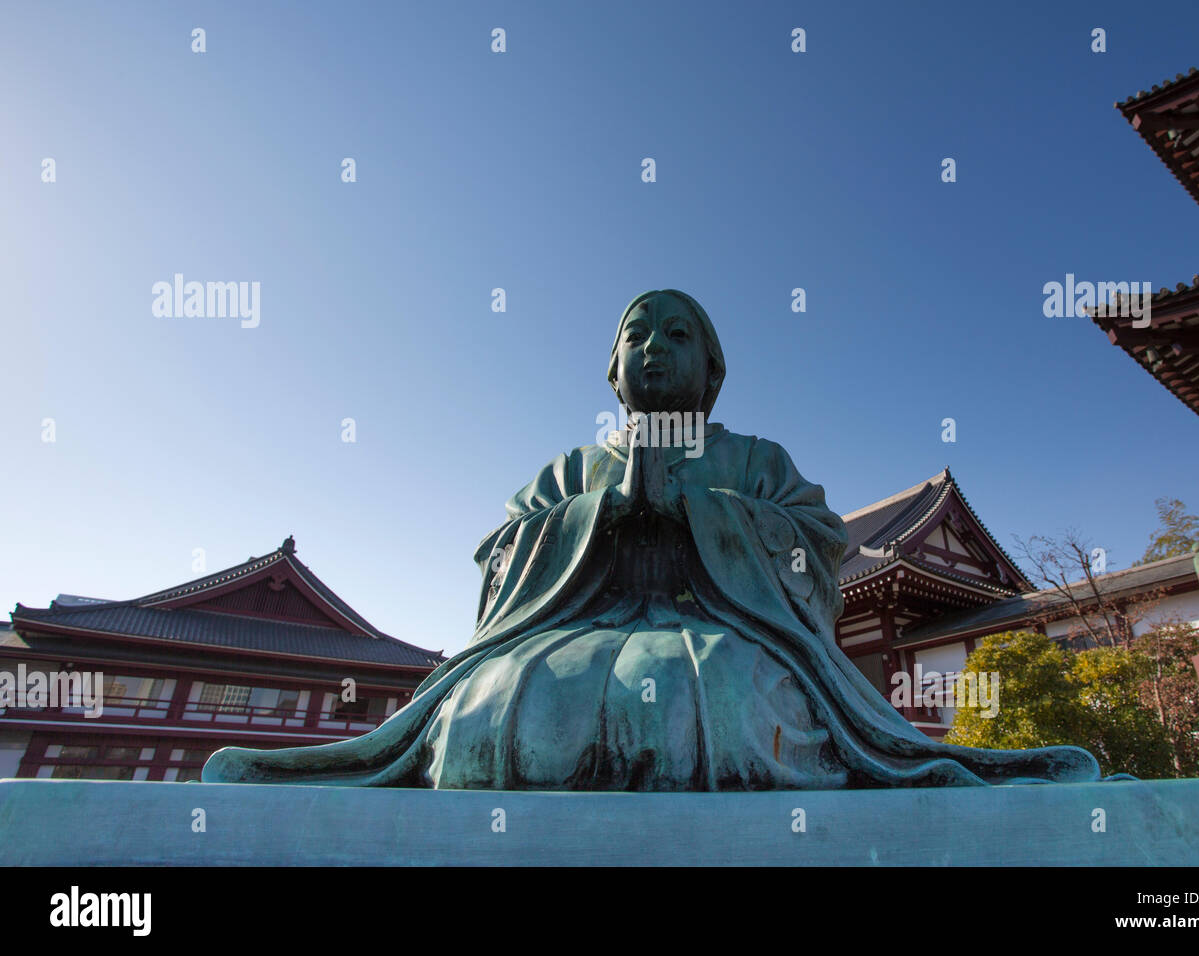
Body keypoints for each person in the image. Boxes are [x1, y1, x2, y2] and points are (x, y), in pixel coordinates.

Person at [203, 290, 1109, 789]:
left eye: (678, 335)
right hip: (561, 637)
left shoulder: (754, 458)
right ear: (612, 367)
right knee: (488, 704)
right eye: (636, 334)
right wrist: (600, 515)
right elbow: (499, 560)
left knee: (709, 695)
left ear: (712, 372)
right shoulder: (571, 468)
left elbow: (818, 548)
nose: (654, 348)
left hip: (731, 640)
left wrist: (705, 515)